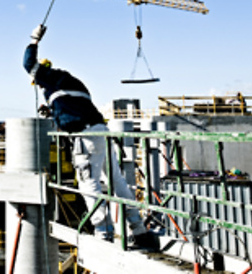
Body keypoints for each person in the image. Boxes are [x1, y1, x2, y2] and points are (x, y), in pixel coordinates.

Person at [24, 24, 159, 250]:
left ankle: (103, 230)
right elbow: (74, 106)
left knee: (90, 184)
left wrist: (34, 40)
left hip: (85, 137)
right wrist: (54, 111)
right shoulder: (71, 82)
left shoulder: (49, 77)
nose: (37, 85)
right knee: (118, 182)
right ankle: (138, 229)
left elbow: (28, 63)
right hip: (100, 132)